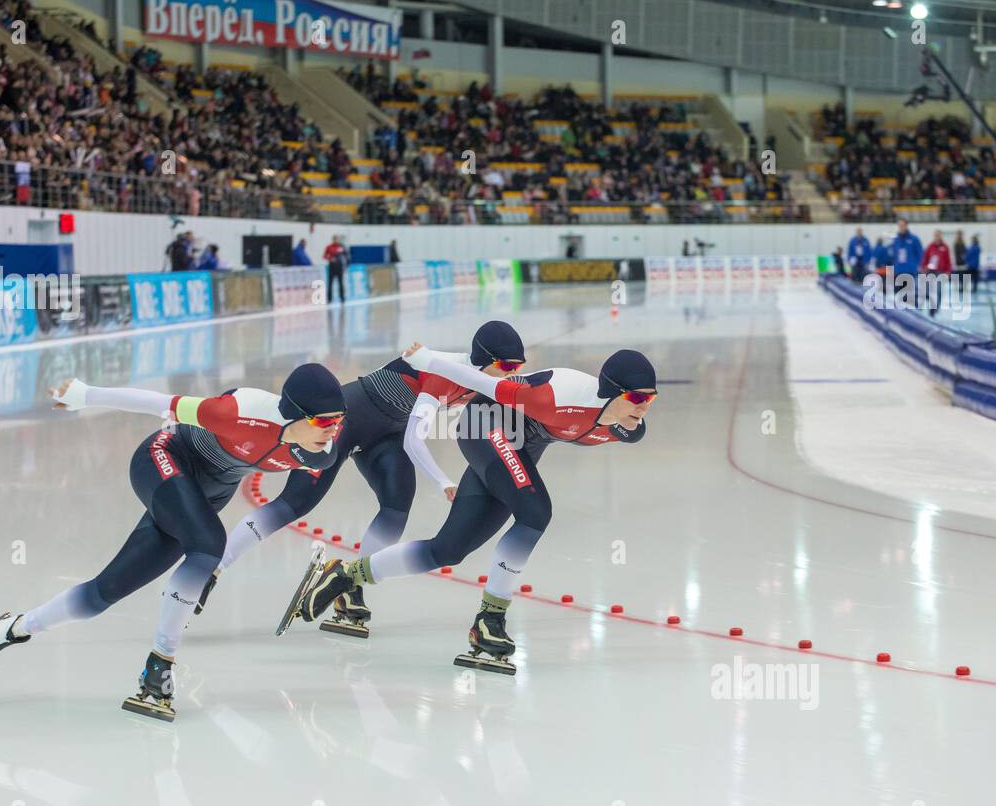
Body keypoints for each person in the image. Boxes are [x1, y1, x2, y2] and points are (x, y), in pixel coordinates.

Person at [0, 364, 348, 721]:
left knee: (100, 596)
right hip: (165, 458)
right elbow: (158, 403)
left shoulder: (320, 452)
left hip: (203, 495)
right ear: (296, 413)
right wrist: (85, 394)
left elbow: (291, 501)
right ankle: (158, 668)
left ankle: (11, 629)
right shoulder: (237, 413)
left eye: (339, 422)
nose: (332, 432)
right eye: (324, 422)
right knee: (208, 543)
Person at [288, 345, 656, 672]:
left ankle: (347, 574)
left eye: (652, 399)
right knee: (535, 512)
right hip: (487, 423)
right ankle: (490, 621)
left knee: (448, 549)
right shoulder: (556, 398)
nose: (645, 408)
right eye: (639, 399)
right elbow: (487, 386)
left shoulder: (626, 428)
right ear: (614, 392)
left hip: (519, 444)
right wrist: (429, 360)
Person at [203, 322, 528, 637]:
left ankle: (347, 585)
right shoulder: (446, 377)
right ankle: (214, 568)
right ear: (484, 360)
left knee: (398, 501)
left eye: (518, 366)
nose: (513, 372)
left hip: (386, 434)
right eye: (506, 365)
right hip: (343, 422)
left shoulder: (487, 380)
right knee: (295, 503)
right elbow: (416, 439)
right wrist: (443, 481)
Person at [921, 230, 953, 316]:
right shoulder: (930, 246)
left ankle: (934, 309)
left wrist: (948, 272)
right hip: (930, 272)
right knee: (928, 290)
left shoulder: (945, 247)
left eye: (938, 235)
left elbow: (948, 261)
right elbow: (925, 259)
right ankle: (930, 306)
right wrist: (923, 268)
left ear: (941, 236)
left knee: (938, 291)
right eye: (936, 235)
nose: (937, 237)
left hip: (940, 272)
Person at [890, 219, 923, 293]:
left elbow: (920, 254)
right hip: (898, 271)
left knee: (909, 296)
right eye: (899, 226)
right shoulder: (896, 240)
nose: (901, 227)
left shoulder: (914, 239)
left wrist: (916, 266)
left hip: (910, 272)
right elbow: (894, 255)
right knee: (898, 296)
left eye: (902, 225)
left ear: (906, 226)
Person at [324, 235, 348, 302]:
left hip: (339, 267)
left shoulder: (341, 247)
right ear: (333, 240)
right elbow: (325, 256)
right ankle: (329, 298)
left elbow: (346, 255)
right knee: (330, 283)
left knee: (340, 283)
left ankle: (342, 297)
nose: (336, 240)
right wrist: (330, 259)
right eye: (334, 239)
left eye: (337, 239)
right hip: (332, 267)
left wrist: (346, 266)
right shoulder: (329, 247)